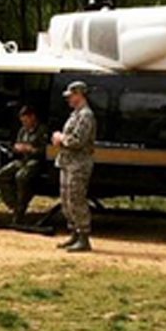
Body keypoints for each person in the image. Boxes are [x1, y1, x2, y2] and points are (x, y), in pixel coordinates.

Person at [53, 81, 98, 253]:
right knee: (66, 199)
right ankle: (74, 233)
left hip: (78, 164)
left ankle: (84, 237)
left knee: (76, 199)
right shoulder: (76, 114)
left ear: (79, 94)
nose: (69, 99)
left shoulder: (86, 115)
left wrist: (60, 138)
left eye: (71, 96)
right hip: (67, 162)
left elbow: (79, 140)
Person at [0, 105, 50, 223]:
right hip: (23, 160)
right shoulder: (22, 130)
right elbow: (17, 144)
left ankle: (21, 208)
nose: (24, 123)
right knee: (0, 176)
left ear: (32, 117)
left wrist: (31, 149)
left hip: (37, 161)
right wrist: (16, 148)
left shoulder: (42, 130)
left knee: (21, 177)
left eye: (26, 120)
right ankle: (14, 205)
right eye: (22, 121)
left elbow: (46, 151)